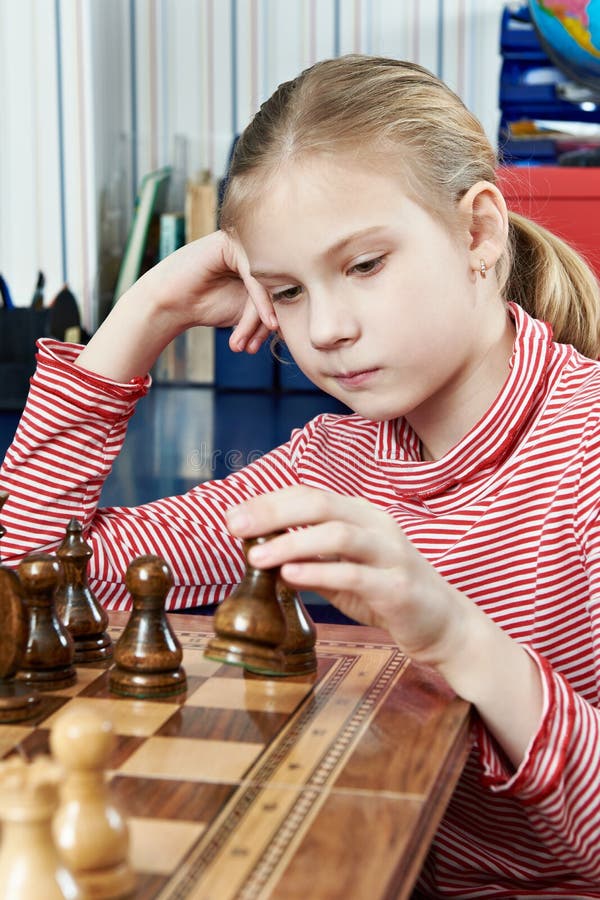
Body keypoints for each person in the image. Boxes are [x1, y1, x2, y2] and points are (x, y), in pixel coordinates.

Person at [1, 54, 600, 896]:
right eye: (284, 290)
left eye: (362, 265)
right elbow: (32, 584)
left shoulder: (586, 452)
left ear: (477, 233)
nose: (324, 330)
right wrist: (146, 314)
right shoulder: (337, 457)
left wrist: (459, 637)